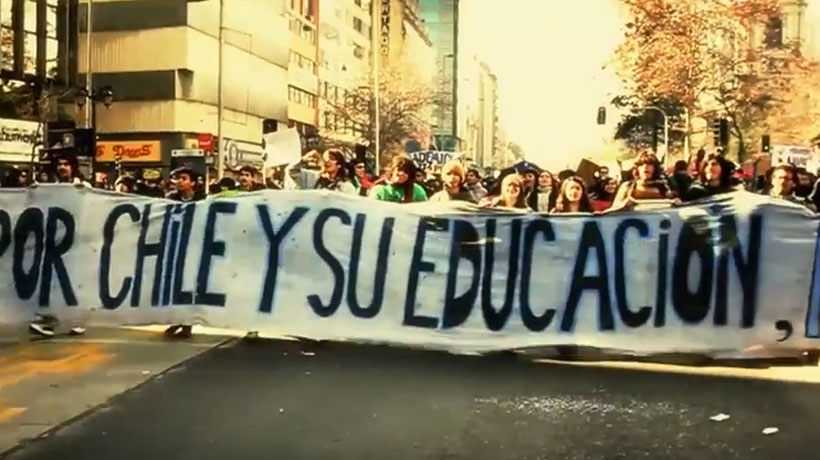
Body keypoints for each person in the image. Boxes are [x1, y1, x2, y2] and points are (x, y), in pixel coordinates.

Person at [164, 166, 205, 339]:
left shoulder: (203, 201)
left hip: (195, 248)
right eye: (176, 178)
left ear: (193, 182)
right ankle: (176, 320)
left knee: (189, 285)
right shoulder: (169, 199)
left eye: (183, 178)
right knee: (175, 285)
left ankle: (187, 324)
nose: (179, 181)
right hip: (175, 247)